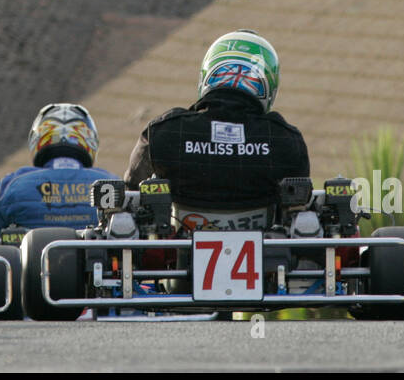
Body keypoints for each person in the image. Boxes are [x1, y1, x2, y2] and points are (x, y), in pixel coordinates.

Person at [124, 30, 309, 230]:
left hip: (176, 256)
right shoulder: (284, 140)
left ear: (207, 76)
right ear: (269, 86)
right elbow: (298, 207)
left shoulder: (164, 133)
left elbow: (131, 197)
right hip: (268, 257)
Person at [0, 103, 119, 236]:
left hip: (35, 256)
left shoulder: (9, 185)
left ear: (38, 139)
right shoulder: (111, 183)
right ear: (89, 139)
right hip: (95, 256)